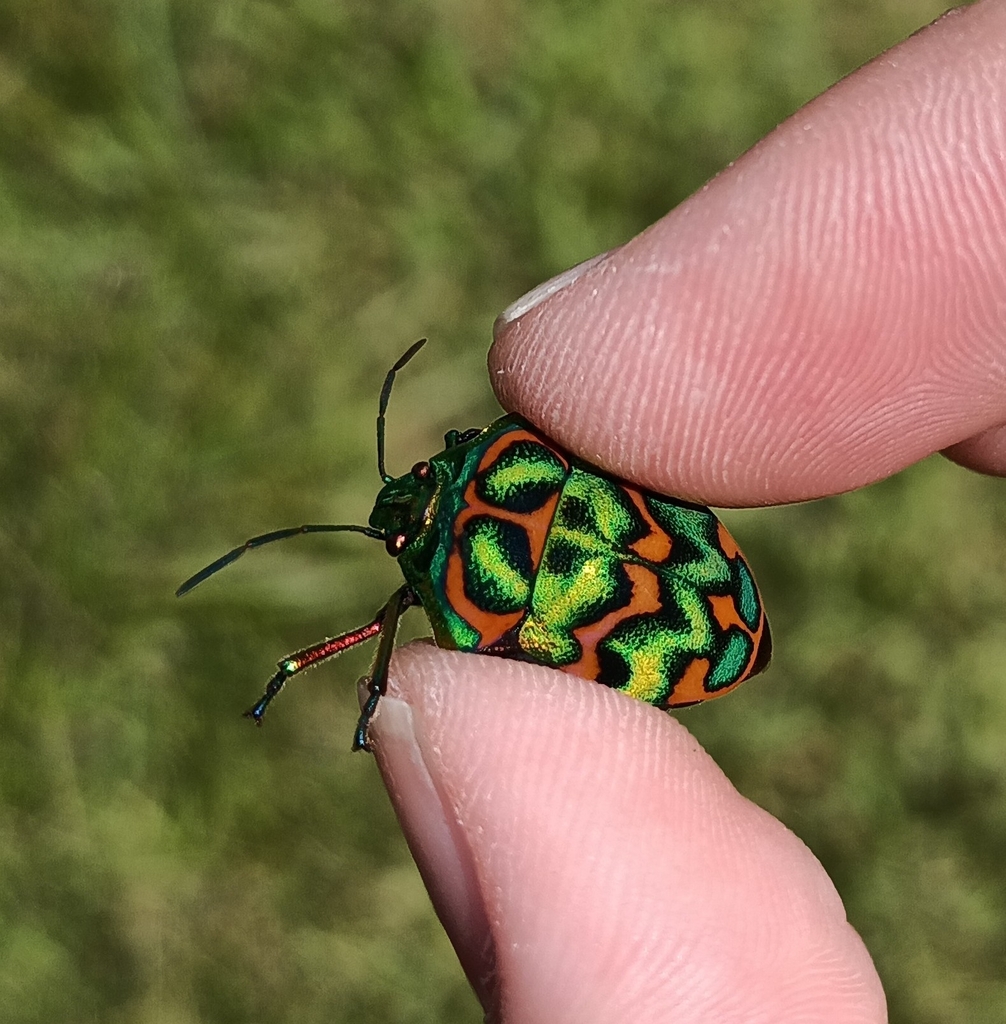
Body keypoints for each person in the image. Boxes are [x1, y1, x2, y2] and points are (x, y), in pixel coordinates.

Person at [366, 3, 1006, 1019]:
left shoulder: (459, 597)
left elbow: (424, 611)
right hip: (703, 610)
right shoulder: (503, 488)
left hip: (686, 624)